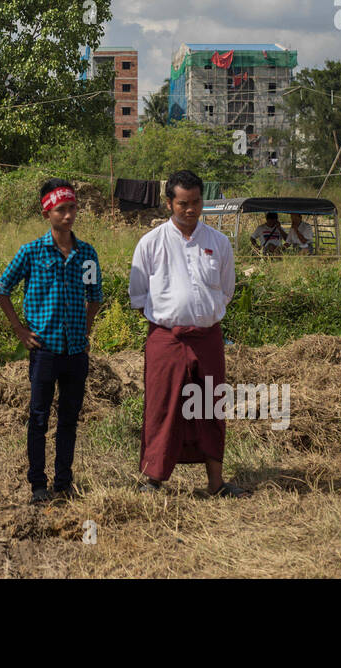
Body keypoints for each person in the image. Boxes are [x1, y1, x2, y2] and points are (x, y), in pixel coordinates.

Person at [129, 169, 247, 497]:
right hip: (166, 338)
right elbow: (139, 297)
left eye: (196, 202)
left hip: (208, 338)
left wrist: (201, 318)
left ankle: (215, 484)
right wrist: (170, 320)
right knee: (162, 405)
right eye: (183, 203)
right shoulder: (150, 243)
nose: (191, 209)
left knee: (210, 405)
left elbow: (225, 291)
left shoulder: (219, 243)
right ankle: (153, 480)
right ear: (170, 203)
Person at [0, 179, 101, 504]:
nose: (68, 216)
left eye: (72, 209)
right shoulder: (32, 252)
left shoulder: (86, 254)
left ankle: (63, 481)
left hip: (75, 353)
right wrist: (20, 330)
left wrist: (85, 331)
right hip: (44, 350)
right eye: (61, 210)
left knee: (69, 418)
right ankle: (38, 484)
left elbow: (93, 296)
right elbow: (2, 288)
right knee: (39, 417)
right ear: (47, 213)